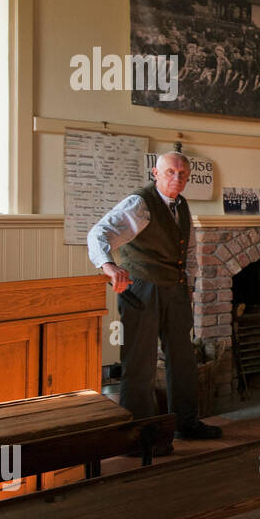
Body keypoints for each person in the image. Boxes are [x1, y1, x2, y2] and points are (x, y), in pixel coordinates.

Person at [87, 151, 221, 444]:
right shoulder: (139, 203)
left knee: (183, 359)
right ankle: (139, 436)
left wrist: (188, 287)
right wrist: (110, 267)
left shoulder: (182, 206)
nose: (177, 178)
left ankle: (185, 423)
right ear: (155, 173)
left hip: (175, 289)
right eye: (171, 172)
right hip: (142, 289)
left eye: (183, 174)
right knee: (140, 363)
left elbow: (188, 253)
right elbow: (99, 233)